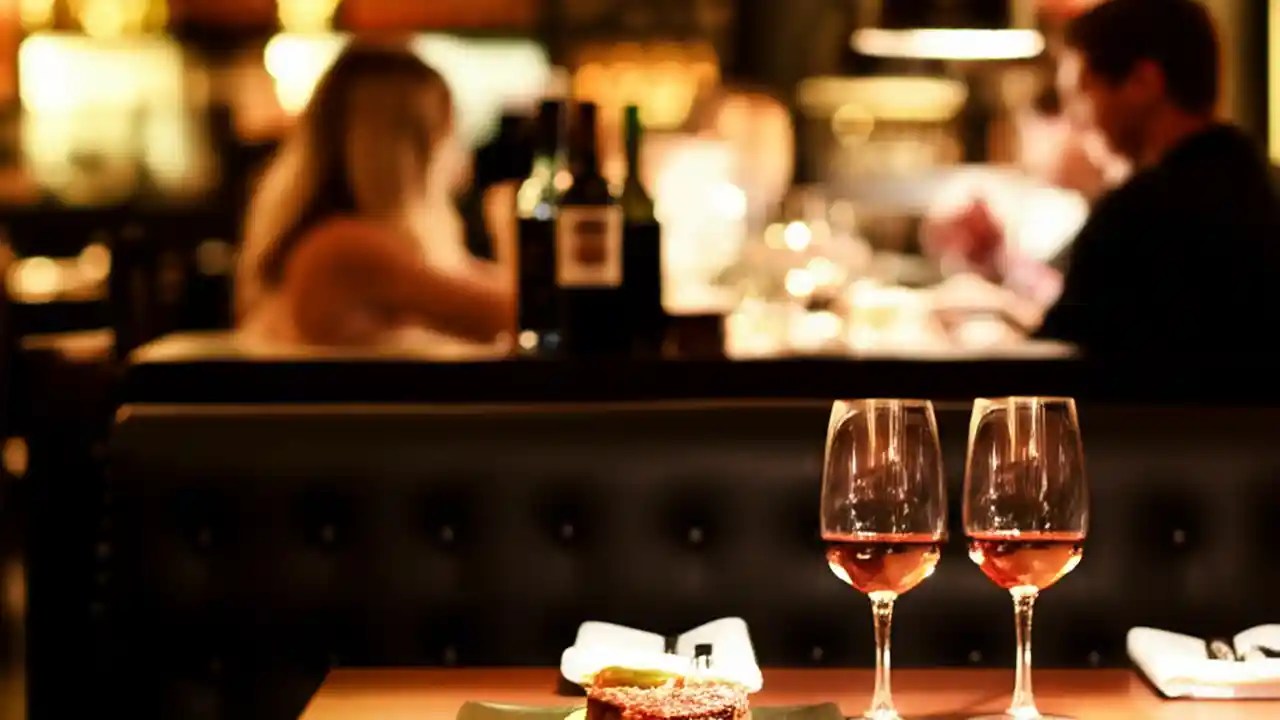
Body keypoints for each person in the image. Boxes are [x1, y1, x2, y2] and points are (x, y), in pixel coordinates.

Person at [1035, 0, 1280, 356]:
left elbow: (1059, 359)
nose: (1075, 120)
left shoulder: (1134, 215)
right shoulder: (1265, 185)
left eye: (1082, 92)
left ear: (1142, 82)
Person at [236, 42, 514, 347]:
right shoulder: (347, 247)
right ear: (410, 149)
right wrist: (514, 227)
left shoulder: (346, 239)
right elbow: (512, 314)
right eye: (448, 131)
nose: (462, 154)